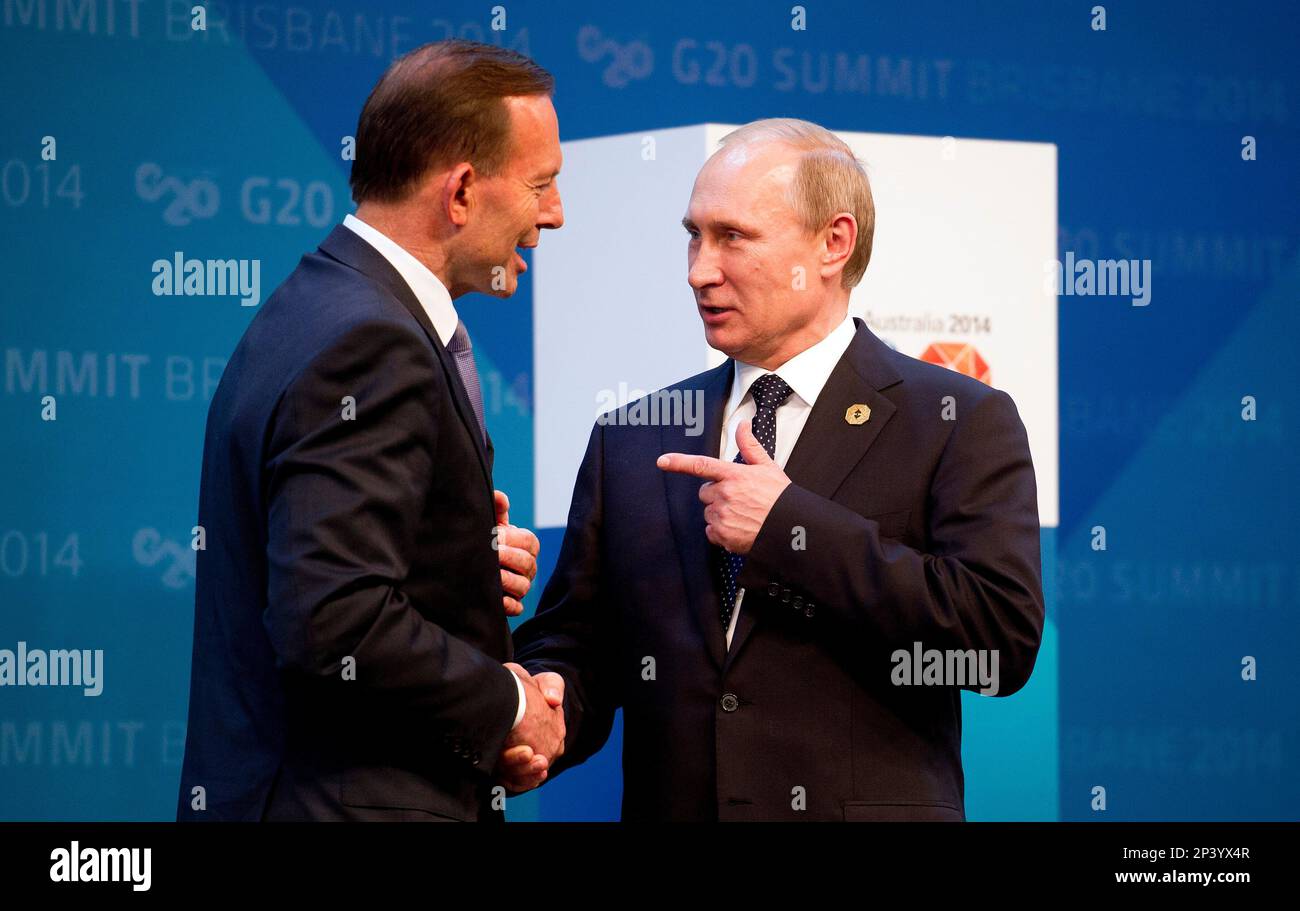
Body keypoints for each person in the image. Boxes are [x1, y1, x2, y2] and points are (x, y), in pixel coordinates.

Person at [504, 118, 1046, 820]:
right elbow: (581, 642)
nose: (699, 268)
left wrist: (791, 527)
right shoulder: (631, 437)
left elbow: (999, 643)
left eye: (733, 237)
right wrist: (539, 712)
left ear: (833, 243)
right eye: (693, 235)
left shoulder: (954, 419)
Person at [178, 39, 566, 822]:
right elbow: (332, 622)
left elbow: (325, 571)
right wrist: (507, 701)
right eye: (542, 186)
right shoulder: (370, 341)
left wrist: (454, 560)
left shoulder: (316, 304)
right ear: (460, 192)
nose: (552, 216)